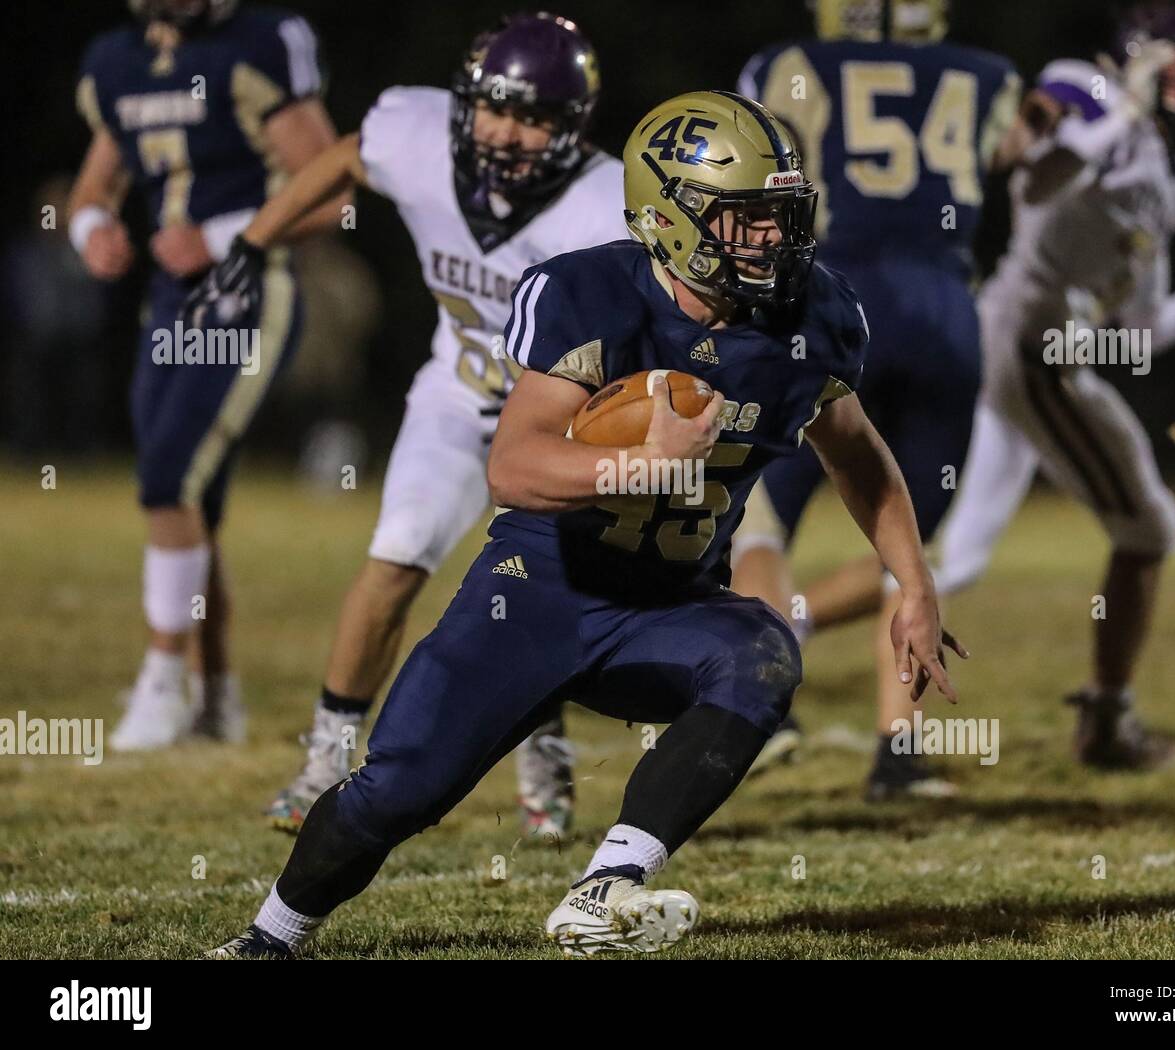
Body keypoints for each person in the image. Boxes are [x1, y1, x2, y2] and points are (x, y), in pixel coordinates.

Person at [209, 89, 964, 958]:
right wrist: (647, 464)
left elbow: (857, 454)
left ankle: (607, 885)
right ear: (670, 217)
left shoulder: (813, 318)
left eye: (780, 216)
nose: (772, 239)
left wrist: (914, 583)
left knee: (761, 653)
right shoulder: (590, 292)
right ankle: (269, 937)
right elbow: (514, 466)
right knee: (398, 792)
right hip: (539, 592)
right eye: (746, 218)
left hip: (672, 607)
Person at [188, 13, 628, 836]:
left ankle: (544, 749)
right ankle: (325, 755)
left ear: (572, 128)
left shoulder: (606, 208)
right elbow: (347, 155)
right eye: (496, 108)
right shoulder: (416, 135)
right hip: (459, 400)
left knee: (535, 599)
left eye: (534, 117)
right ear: (464, 103)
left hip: (560, 429)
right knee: (395, 555)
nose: (508, 132)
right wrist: (252, 241)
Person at [928, 0, 1175, 769]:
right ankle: (1107, 722)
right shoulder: (1088, 92)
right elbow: (1033, 177)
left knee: (959, 559)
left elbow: (1135, 336)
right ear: (1142, 54)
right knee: (1148, 527)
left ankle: (789, 630)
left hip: (1052, 351)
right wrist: (1121, 117)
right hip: (1025, 339)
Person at [731, 0, 1019, 795]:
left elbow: (739, 161)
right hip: (944, 312)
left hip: (828, 295)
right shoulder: (987, 74)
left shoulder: (787, 62)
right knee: (911, 545)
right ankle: (898, 751)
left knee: (756, 515)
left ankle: (760, 699)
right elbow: (1025, 149)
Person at [68, 0, 341, 750]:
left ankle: (161, 679)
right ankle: (216, 696)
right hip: (168, 304)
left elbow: (334, 190)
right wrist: (94, 231)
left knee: (166, 477)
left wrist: (224, 236)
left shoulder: (255, 45)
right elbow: (92, 191)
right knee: (196, 501)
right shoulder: (117, 60)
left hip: (251, 293)